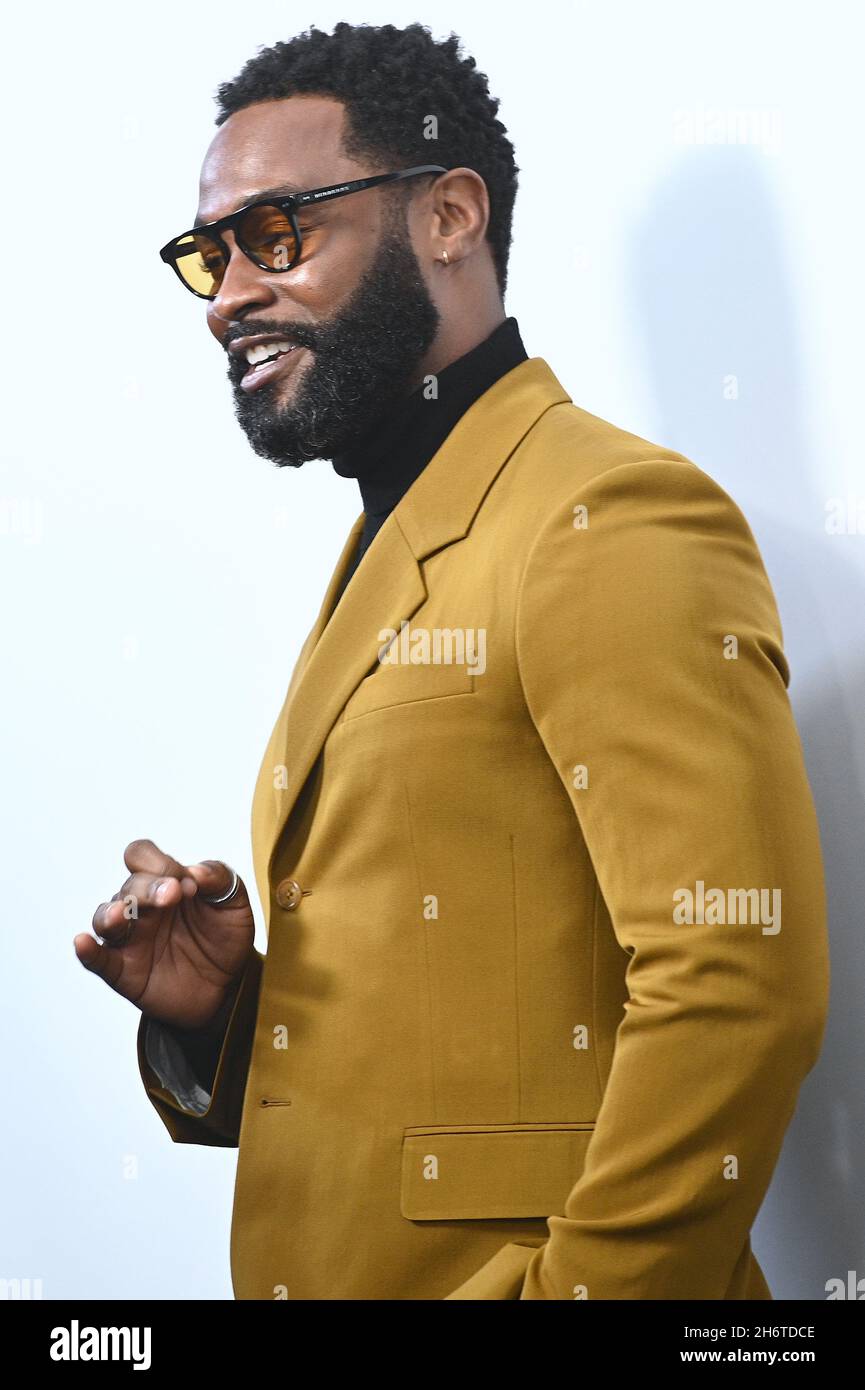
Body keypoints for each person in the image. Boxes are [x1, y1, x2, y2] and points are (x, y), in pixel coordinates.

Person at [75, 21, 829, 1300]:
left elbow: (738, 983)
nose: (226, 298)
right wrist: (226, 1016)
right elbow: (460, 1049)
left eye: (277, 234)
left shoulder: (610, 517)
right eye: (209, 254)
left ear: (448, 216)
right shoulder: (398, 529)